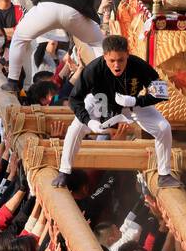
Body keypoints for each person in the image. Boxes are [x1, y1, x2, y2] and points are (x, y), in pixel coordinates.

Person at [55, 33, 176, 190]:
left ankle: (164, 174)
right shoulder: (93, 69)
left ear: (128, 54)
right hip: (100, 103)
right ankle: (64, 171)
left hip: (130, 103)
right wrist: (89, 121)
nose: (117, 65)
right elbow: (74, 99)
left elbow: (161, 93)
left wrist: (136, 101)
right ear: (105, 56)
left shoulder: (139, 66)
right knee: (75, 128)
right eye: (112, 61)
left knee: (163, 127)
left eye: (121, 60)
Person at [4, 0, 103, 95]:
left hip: (46, 8)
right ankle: (104, 83)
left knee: (19, 37)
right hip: (73, 12)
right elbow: (90, 1)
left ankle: (12, 81)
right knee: (99, 42)